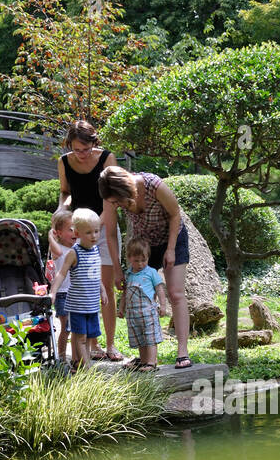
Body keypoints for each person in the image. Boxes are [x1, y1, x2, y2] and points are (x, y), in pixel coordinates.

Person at [98, 165, 192, 368]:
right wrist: (117, 270)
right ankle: (145, 356)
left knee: (175, 293)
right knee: (135, 294)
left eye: (117, 200)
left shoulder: (153, 184)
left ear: (124, 189)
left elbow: (175, 214)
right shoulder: (110, 197)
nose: (115, 205)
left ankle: (182, 352)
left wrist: (171, 249)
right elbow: (111, 234)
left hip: (173, 237)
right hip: (144, 244)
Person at [58, 119, 123, 361]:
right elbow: (66, 192)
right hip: (78, 232)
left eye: (86, 149)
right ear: (69, 146)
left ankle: (111, 344)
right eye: (77, 149)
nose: (82, 154)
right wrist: (61, 211)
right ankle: (91, 345)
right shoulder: (64, 162)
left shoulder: (107, 159)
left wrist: (92, 232)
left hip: (103, 230)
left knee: (105, 287)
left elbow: (111, 202)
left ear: (94, 143)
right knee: (84, 288)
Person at [49, 209, 108, 369]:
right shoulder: (74, 253)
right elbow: (61, 274)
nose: (94, 236)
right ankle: (87, 369)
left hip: (92, 305)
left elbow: (95, 274)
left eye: (96, 231)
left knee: (89, 337)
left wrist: (102, 289)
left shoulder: (95, 250)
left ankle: (81, 365)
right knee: (80, 337)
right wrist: (53, 291)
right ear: (77, 233)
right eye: (88, 232)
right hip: (77, 305)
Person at [119, 237, 167, 370]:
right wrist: (121, 308)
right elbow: (125, 293)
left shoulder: (151, 272)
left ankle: (152, 363)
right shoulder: (128, 274)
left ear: (148, 258)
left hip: (148, 312)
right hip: (133, 314)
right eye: (136, 261)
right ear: (129, 258)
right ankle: (144, 361)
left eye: (143, 260)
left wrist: (163, 305)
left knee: (150, 337)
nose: (140, 264)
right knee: (140, 338)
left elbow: (159, 289)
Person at [48, 210, 76, 361]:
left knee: (75, 328)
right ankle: (62, 356)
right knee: (66, 328)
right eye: (70, 229)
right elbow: (57, 250)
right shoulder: (58, 249)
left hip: (76, 293)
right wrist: (50, 236)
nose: (74, 232)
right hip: (63, 294)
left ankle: (76, 356)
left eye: (75, 228)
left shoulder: (76, 246)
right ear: (58, 233)